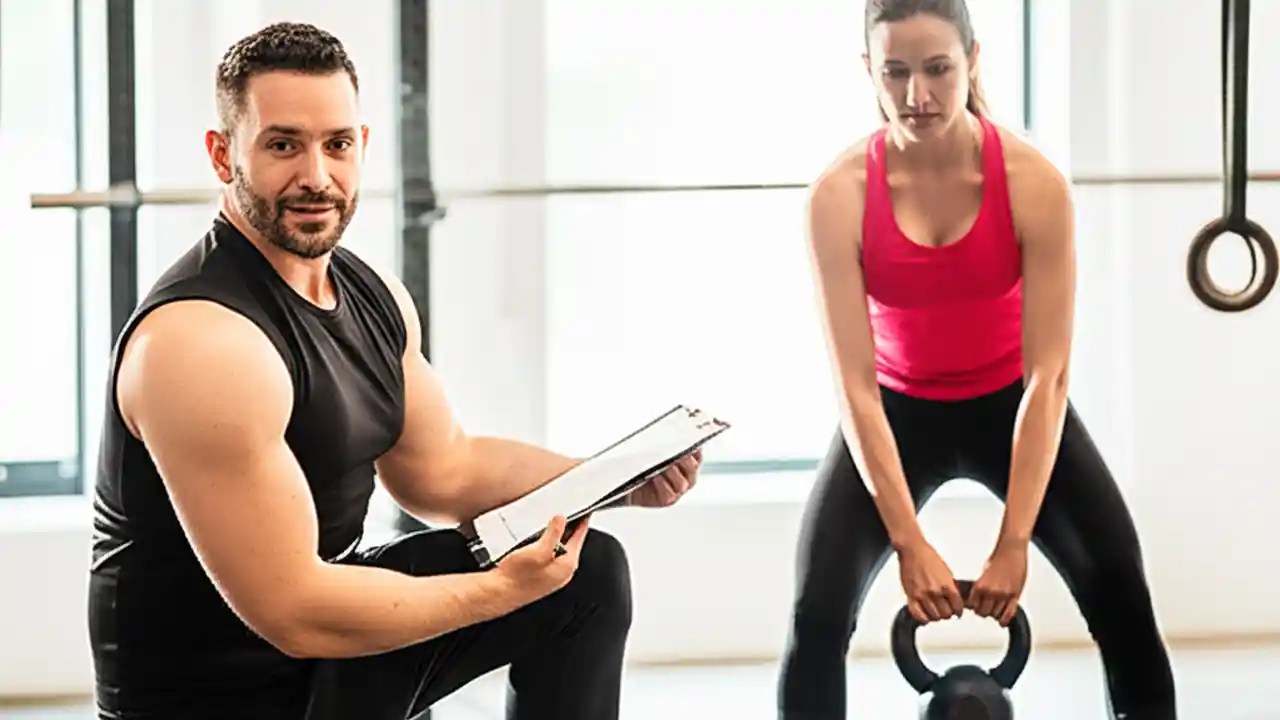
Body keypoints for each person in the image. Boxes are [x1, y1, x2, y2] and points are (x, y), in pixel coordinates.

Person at [87, 22, 702, 720]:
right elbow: (295, 611)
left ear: (363, 146)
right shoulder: (201, 343)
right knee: (504, 588)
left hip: (320, 664)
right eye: (283, 145)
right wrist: (501, 590)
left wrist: (614, 479)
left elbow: (444, 474)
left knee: (587, 573)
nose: (316, 176)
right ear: (223, 155)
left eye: (337, 145)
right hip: (224, 696)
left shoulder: (370, 294)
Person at [776, 1, 1177, 718]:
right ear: (869, 70)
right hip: (893, 413)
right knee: (816, 613)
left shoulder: (1032, 183)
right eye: (895, 72)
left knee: (1121, 592)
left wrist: (1014, 541)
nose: (917, 95)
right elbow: (856, 388)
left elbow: (1049, 376)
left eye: (938, 69)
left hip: (1012, 404)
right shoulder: (839, 196)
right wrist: (909, 542)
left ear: (973, 60)